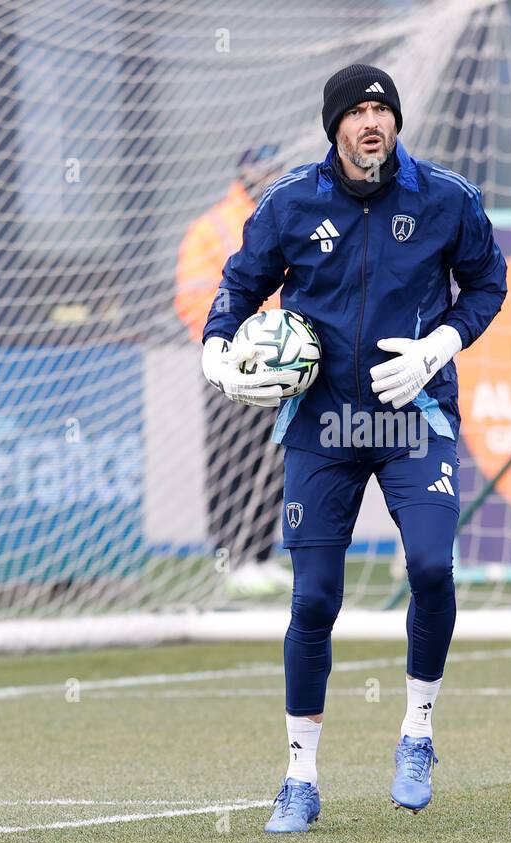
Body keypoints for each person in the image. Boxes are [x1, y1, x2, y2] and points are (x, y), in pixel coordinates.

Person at [200, 64, 507, 832]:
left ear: (396, 123)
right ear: (334, 126)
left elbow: (488, 286)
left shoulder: (446, 197)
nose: (372, 121)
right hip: (323, 426)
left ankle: (418, 731)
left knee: (432, 568)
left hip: (414, 419)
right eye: (358, 111)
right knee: (313, 600)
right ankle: (300, 777)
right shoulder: (290, 203)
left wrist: (439, 345)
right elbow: (239, 286)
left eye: (383, 109)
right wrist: (216, 347)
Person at [176, 144, 292, 597]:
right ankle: (231, 555)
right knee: (233, 458)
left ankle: (261, 553)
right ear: (243, 174)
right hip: (230, 362)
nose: (268, 178)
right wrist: (235, 341)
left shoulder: (287, 221)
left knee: (277, 458)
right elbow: (193, 296)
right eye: (262, 171)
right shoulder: (212, 229)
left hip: (281, 361)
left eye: (274, 171)